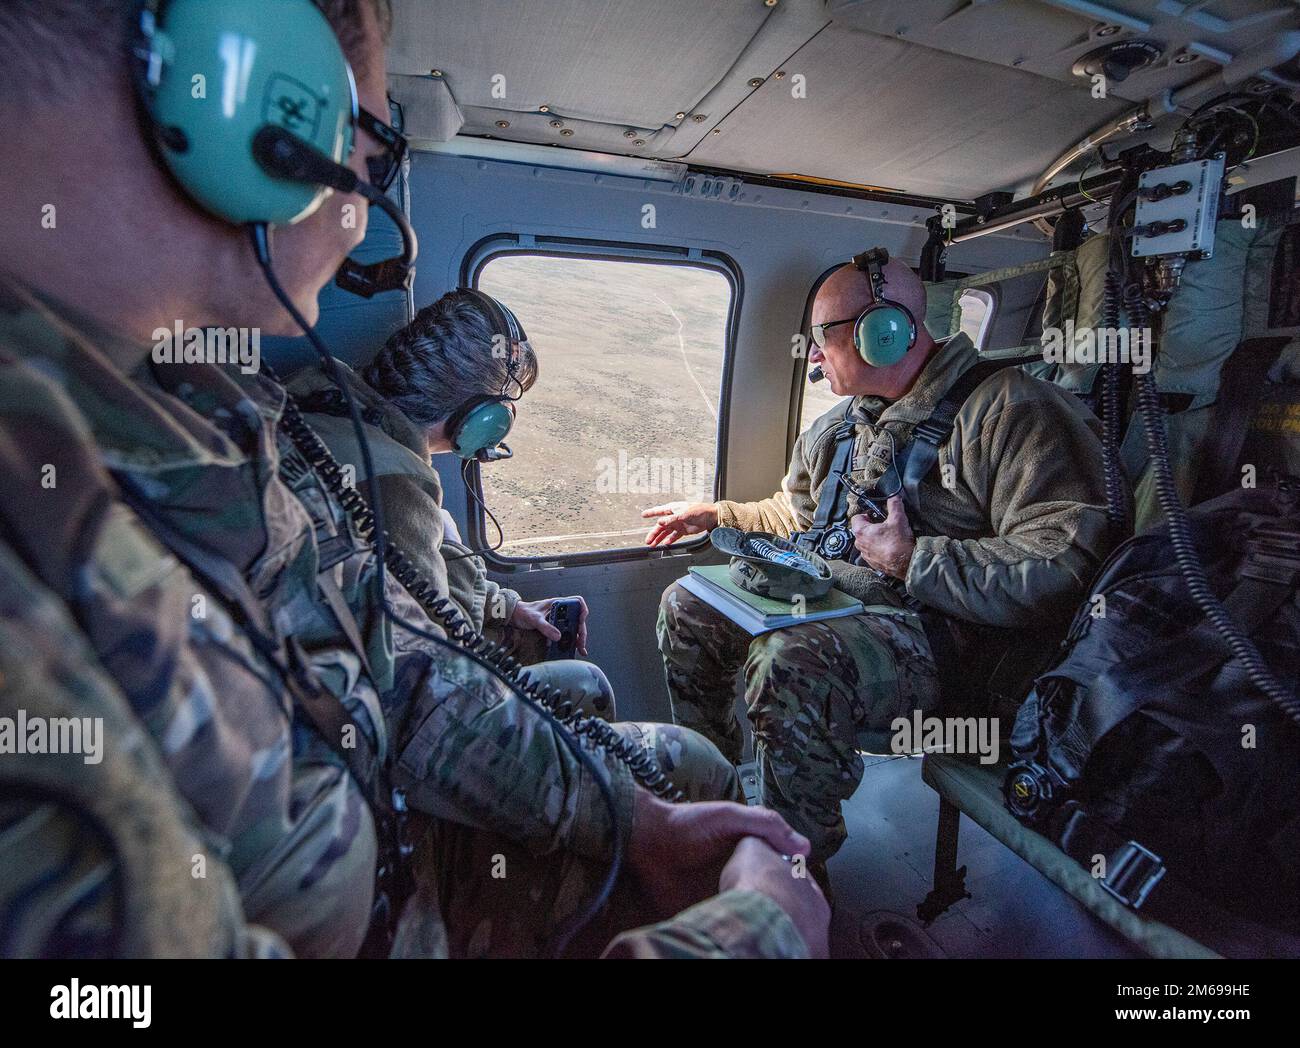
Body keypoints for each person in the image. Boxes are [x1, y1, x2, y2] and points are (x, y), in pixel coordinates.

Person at [0, 0, 827, 958]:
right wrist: (754, 942)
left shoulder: (216, 404)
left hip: (384, 842)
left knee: (669, 795)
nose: (369, 205)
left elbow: (391, 659)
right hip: (380, 906)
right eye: (375, 145)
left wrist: (627, 819)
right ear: (261, 112)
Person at [647, 254, 1114, 870]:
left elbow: (1064, 567)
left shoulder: (1011, 412)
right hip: (848, 609)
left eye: (822, 338)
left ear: (882, 331)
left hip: (955, 648)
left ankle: (792, 870)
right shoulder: (840, 427)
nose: (812, 355)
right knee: (686, 605)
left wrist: (913, 559)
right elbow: (803, 519)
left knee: (791, 660)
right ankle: (717, 799)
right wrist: (719, 514)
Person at [286, 289, 614, 720]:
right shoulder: (392, 480)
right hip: (382, 706)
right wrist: (452, 541)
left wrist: (505, 604)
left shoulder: (323, 397)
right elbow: (442, 651)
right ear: (479, 420)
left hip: (327, 655)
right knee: (588, 685)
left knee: (537, 637)